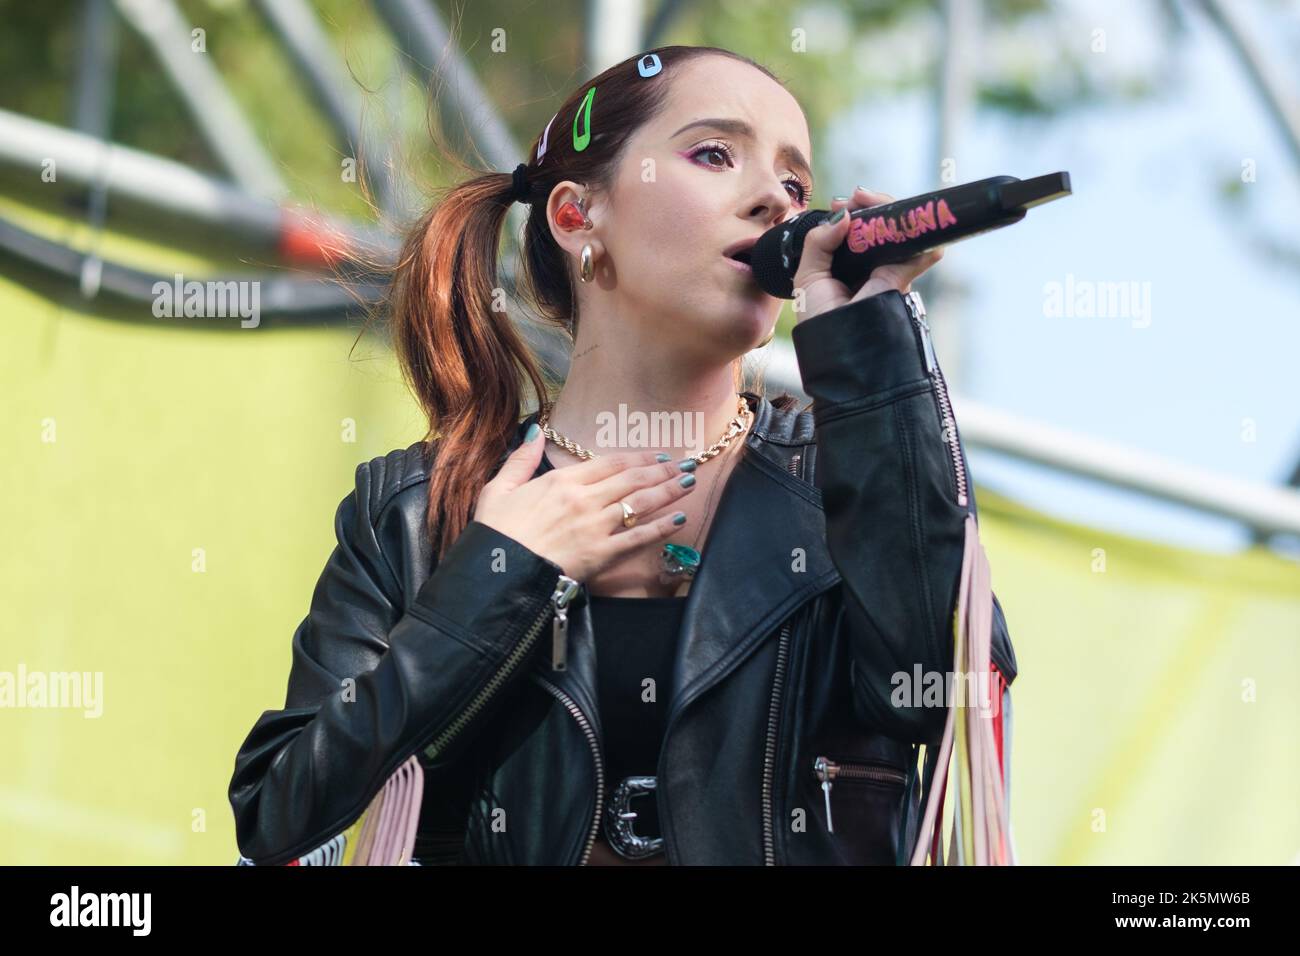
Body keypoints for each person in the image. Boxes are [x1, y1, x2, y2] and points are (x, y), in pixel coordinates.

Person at [229, 44, 1018, 866]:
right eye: (715, 154)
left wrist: (869, 352)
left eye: (795, 185)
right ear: (577, 217)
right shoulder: (416, 511)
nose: (773, 204)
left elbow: (947, 696)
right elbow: (284, 813)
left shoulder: (842, 480)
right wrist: (497, 578)